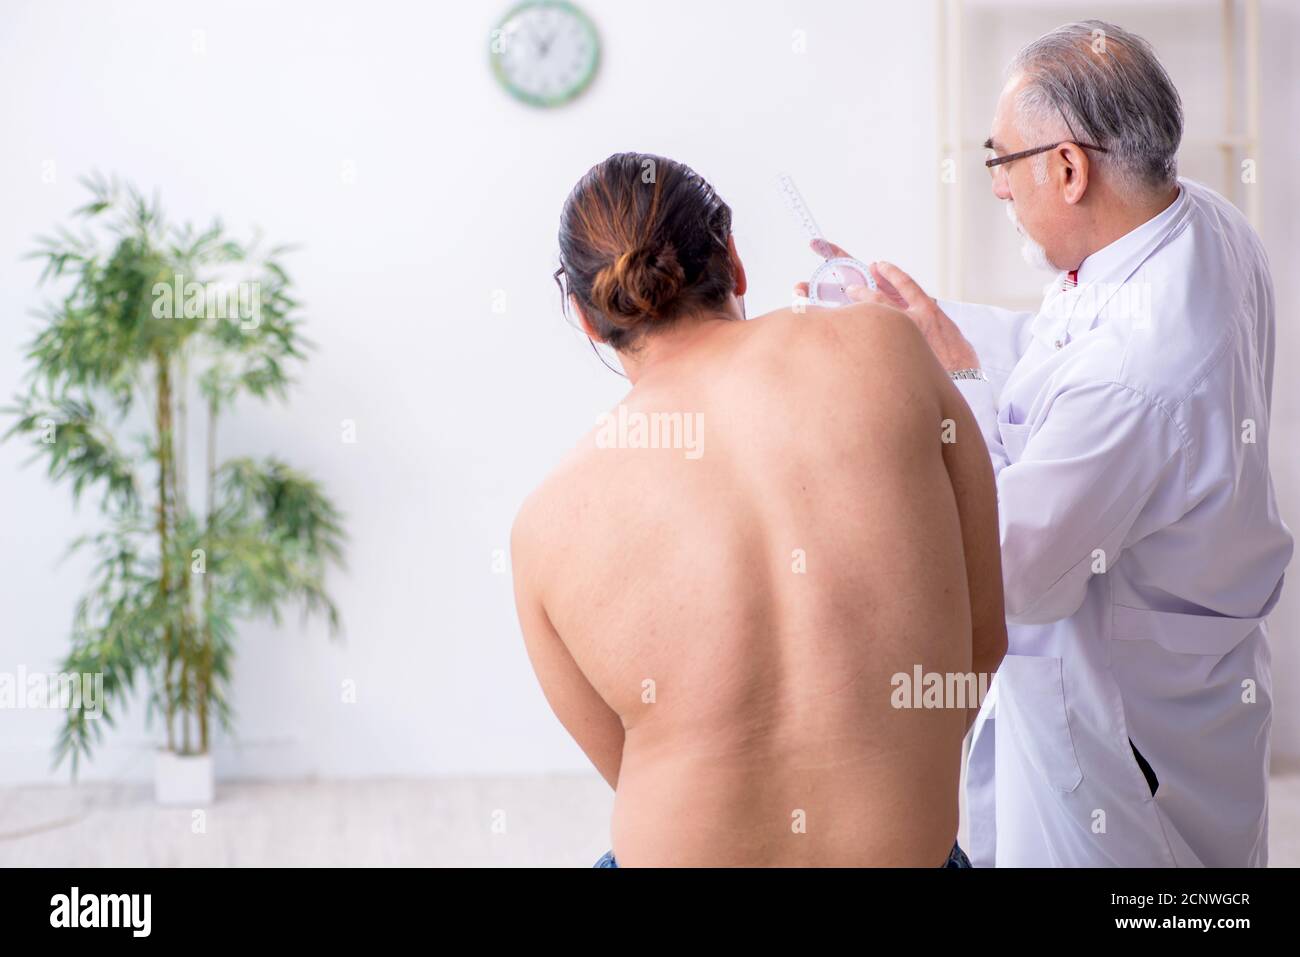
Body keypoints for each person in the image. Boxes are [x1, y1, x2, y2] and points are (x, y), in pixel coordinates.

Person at [811, 20, 1292, 866]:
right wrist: (926, 324)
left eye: (1000, 160)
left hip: (1120, 726)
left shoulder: (1139, 368)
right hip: (1190, 682)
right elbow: (1055, 353)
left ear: (1069, 169)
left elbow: (1013, 570)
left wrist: (954, 381)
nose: (996, 187)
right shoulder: (1198, 223)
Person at [511, 152, 1006, 867]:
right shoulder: (883, 344)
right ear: (734, 260)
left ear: (588, 320)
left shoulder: (544, 523)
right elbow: (982, 643)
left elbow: (630, 771)